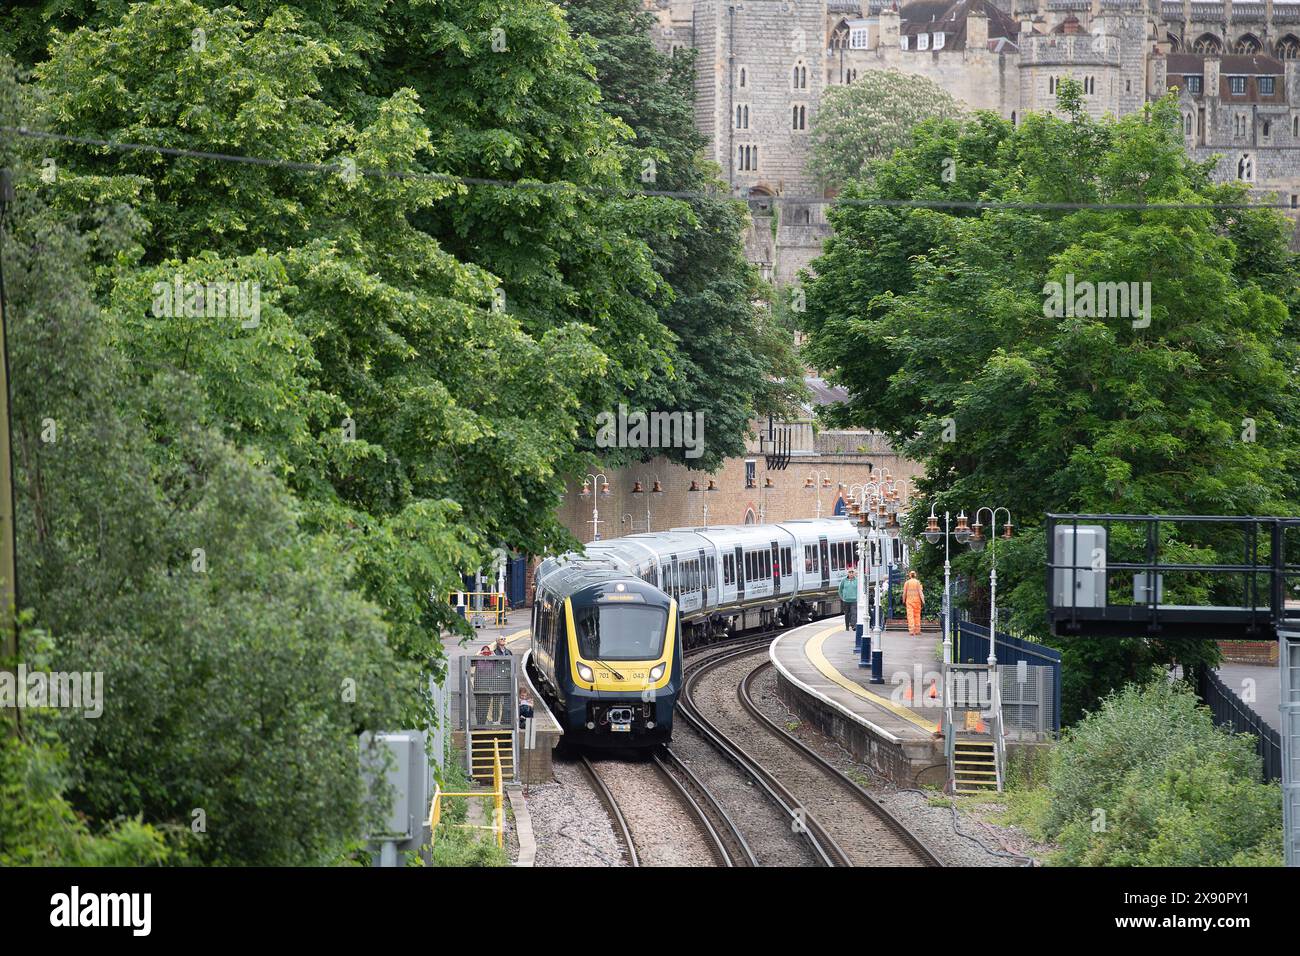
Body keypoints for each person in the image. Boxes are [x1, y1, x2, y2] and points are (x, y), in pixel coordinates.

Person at [903, 571, 925, 636]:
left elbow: (904, 593)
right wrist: (923, 601)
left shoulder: (907, 583)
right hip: (917, 601)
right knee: (917, 615)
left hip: (909, 601)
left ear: (910, 575)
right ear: (915, 575)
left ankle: (911, 631)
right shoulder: (918, 582)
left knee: (910, 616)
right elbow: (920, 592)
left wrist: (903, 600)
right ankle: (917, 631)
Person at [838, 565, 858, 632]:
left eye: (852, 572)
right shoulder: (844, 580)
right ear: (848, 573)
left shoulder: (857, 580)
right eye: (850, 572)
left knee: (853, 613)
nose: (851, 573)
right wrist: (842, 598)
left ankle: (853, 625)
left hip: (854, 600)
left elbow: (860, 589)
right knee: (847, 614)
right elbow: (840, 590)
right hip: (846, 600)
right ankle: (847, 626)